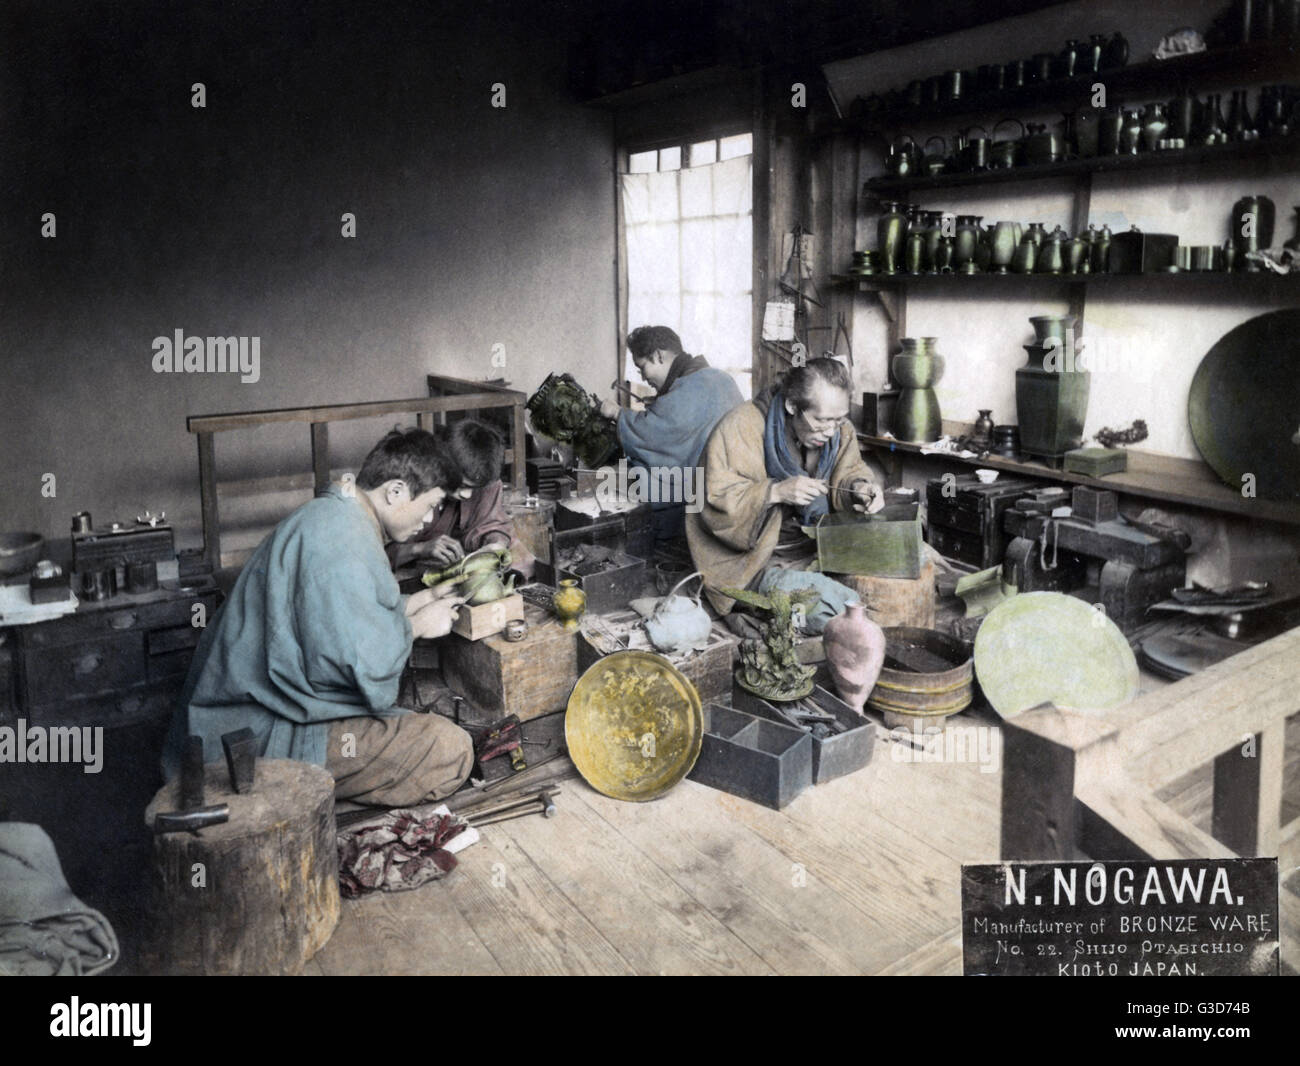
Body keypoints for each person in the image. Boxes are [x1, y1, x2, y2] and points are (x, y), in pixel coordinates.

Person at [163, 427, 474, 807]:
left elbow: (341, 616)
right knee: (448, 749)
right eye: (430, 505)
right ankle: (302, 800)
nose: (430, 520)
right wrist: (418, 626)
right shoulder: (343, 541)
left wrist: (421, 600)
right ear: (395, 492)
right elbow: (358, 667)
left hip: (234, 719)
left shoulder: (336, 514)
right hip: (252, 739)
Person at [685, 357, 881, 634]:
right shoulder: (742, 426)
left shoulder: (837, 431)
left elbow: (848, 469)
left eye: (839, 420)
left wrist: (860, 487)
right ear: (792, 405)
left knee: (904, 570)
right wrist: (775, 491)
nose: (830, 431)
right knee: (836, 611)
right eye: (822, 421)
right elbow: (712, 497)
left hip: (809, 546)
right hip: (751, 560)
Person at [598, 326, 743, 543]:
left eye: (642, 367)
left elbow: (654, 432)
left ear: (659, 355)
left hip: (705, 498)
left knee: (635, 482)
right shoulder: (719, 378)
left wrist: (617, 413)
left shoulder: (691, 387)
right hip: (735, 491)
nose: (643, 378)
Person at [387, 418, 534, 578]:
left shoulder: (486, 480)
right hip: (408, 563)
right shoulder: (411, 480)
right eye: (463, 485)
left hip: (460, 560)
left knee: (522, 559)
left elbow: (491, 523)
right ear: (445, 464)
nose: (467, 495)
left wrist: (495, 544)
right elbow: (373, 554)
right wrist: (420, 549)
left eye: (474, 488)